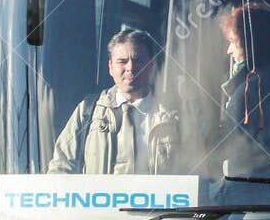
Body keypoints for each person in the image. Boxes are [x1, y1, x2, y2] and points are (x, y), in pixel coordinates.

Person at [48, 28, 180, 174]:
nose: (130, 67)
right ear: (110, 67)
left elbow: (198, 174)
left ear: (152, 66)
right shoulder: (87, 112)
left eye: (138, 61)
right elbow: (60, 169)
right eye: (122, 61)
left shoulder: (174, 117)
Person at [219, 2, 270, 174]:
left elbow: (236, 151)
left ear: (252, 43)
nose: (229, 50)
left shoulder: (250, 91)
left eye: (233, 41)